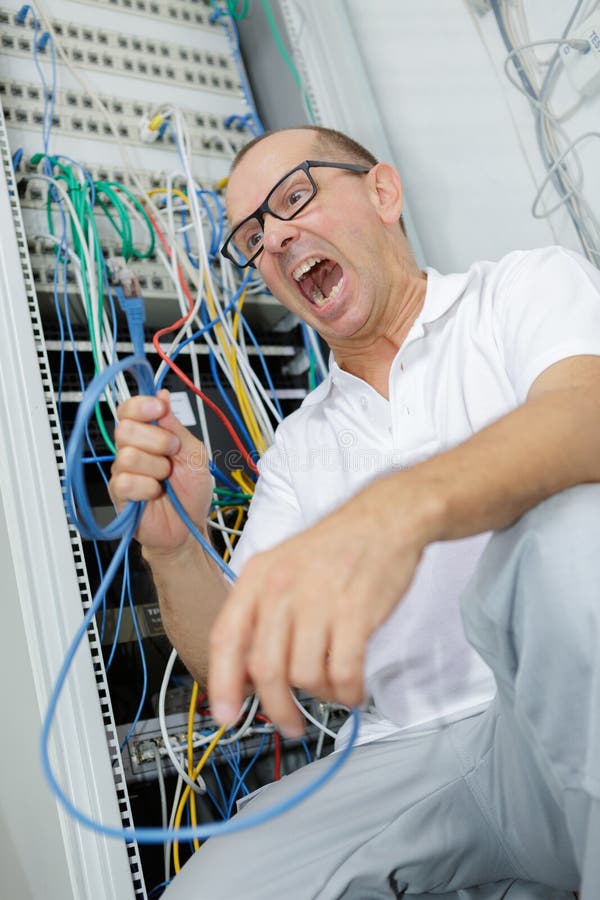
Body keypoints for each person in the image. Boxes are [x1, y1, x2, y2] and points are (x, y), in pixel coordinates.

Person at [109, 125, 600, 899]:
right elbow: (233, 657)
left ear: (383, 192)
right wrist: (174, 545)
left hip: (562, 711)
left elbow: (587, 418)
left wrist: (400, 507)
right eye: (251, 237)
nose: (274, 238)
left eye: (295, 197)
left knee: (575, 536)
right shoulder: (300, 449)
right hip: (401, 759)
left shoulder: (520, 292)